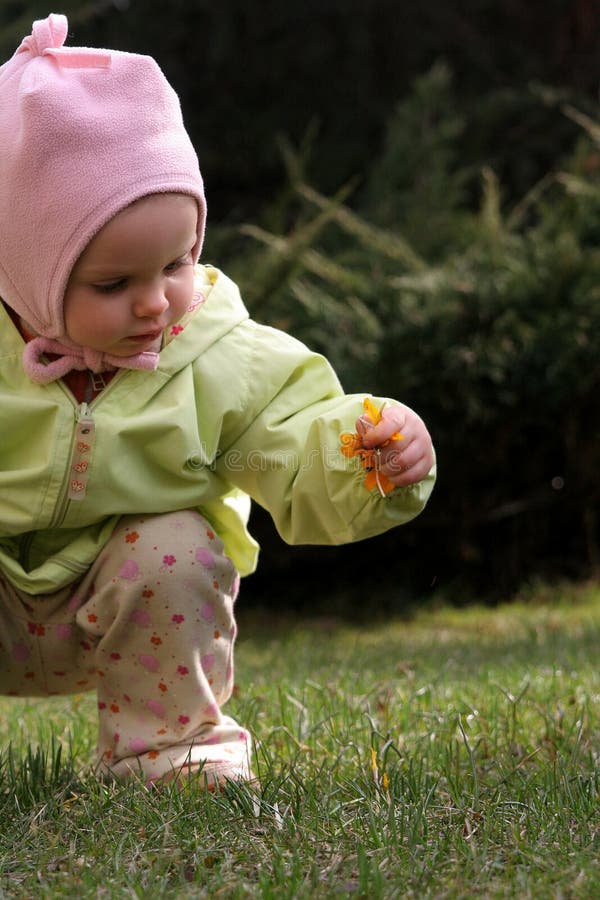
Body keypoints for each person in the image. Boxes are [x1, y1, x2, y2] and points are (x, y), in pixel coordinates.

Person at [0, 14, 436, 789]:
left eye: (176, 262)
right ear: (25, 269)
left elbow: (286, 437)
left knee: (176, 540)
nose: (154, 304)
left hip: (128, 603)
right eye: (113, 283)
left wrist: (359, 452)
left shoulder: (212, 352)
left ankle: (166, 752)